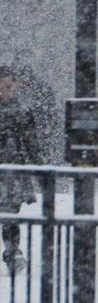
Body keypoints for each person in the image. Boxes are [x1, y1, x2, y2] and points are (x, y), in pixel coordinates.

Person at [0, 65, 43, 275]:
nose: (5, 89)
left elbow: (31, 142)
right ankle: (13, 253)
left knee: (9, 214)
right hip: (10, 168)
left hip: (12, 171)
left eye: (8, 85)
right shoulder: (21, 111)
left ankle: (13, 252)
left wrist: (41, 169)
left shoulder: (22, 111)